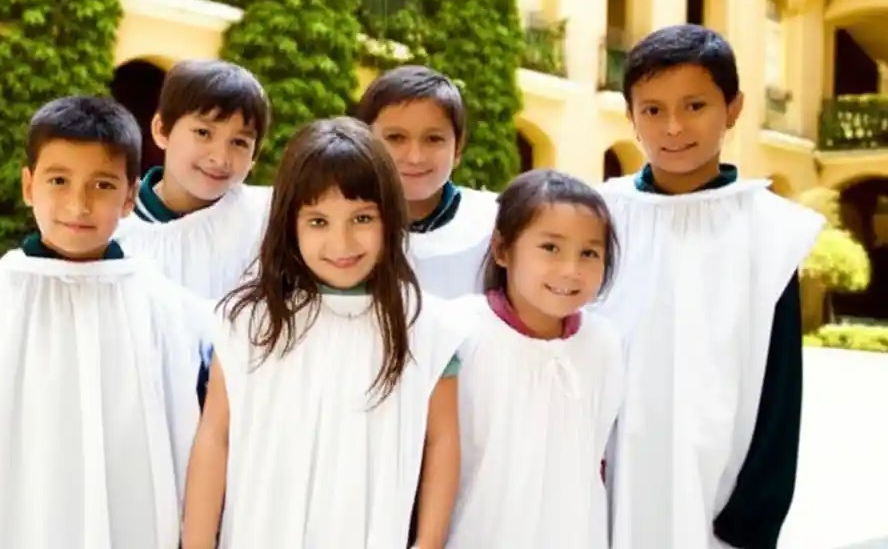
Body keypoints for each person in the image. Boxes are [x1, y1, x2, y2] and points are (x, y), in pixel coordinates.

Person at [180, 117, 470, 549]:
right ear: (289, 224)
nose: (342, 242)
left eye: (362, 218)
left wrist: (427, 543)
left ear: (390, 218)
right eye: (318, 221)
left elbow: (442, 441)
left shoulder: (424, 326)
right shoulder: (249, 320)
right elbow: (214, 437)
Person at [0, 96, 210, 548]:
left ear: (128, 196)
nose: (78, 205)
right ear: (28, 186)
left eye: (102, 185)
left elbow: (195, 433)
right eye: (58, 180)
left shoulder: (166, 310)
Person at [592, 24, 823, 549]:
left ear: (734, 108)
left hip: (717, 494)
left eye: (695, 106)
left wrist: (752, 518)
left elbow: (780, 390)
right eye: (652, 110)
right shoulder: (599, 216)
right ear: (630, 116)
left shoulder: (771, 232)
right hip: (607, 487)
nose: (672, 127)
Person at [446, 169, 624, 548]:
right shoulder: (460, 332)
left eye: (589, 253)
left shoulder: (603, 344)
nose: (570, 270)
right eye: (550, 248)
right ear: (502, 249)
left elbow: (598, 456)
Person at [113, 59, 272, 302]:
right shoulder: (116, 228)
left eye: (239, 142)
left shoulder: (264, 220)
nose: (220, 158)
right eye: (203, 133)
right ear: (162, 130)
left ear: (254, 157)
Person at [355, 65, 499, 298]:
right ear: (364, 141)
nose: (415, 157)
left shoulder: (493, 224)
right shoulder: (338, 224)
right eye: (396, 138)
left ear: (458, 147)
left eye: (433, 139)